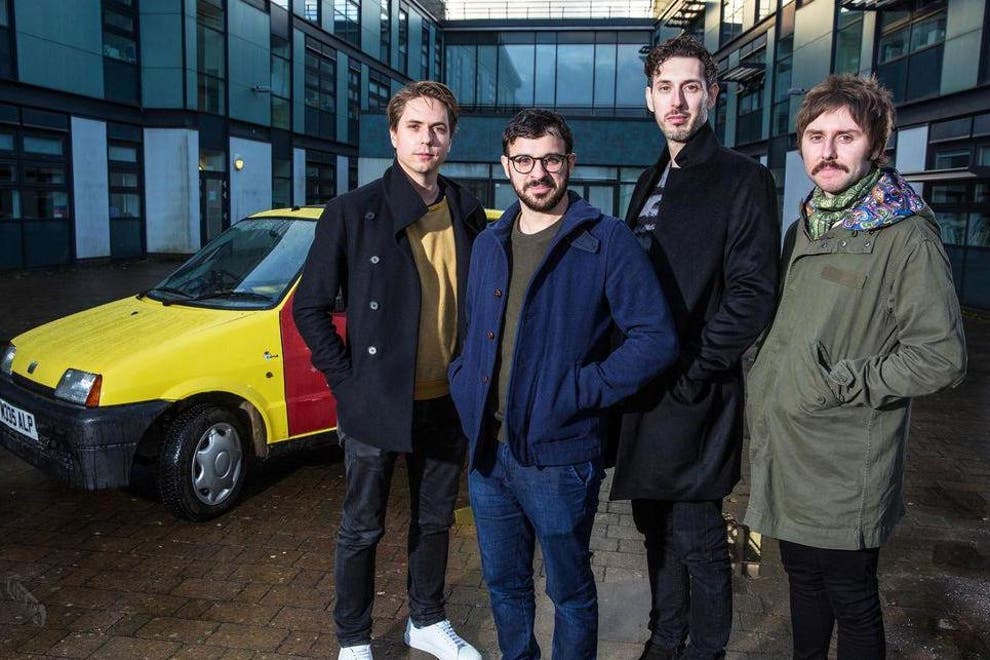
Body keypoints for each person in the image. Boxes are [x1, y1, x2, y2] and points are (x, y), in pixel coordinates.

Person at [744, 74, 967, 659]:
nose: (828, 150)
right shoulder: (806, 225)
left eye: (846, 136)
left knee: (850, 594)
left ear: (875, 144)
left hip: (846, 459)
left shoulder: (904, 234)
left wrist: (844, 381)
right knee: (802, 583)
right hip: (788, 448)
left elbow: (941, 356)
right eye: (816, 136)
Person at [448, 109, 678, 659]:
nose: (539, 173)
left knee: (569, 591)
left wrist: (580, 390)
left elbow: (656, 337)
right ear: (507, 167)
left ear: (570, 163)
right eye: (524, 161)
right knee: (504, 586)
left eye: (551, 160)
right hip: (489, 456)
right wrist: (464, 386)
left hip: (560, 456)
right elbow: (472, 332)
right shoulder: (489, 244)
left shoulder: (606, 240)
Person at [293, 81, 487, 660]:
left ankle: (425, 620)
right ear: (393, 135)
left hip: (445, 399)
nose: (427, 139)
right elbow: (310, 306)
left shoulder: (466, 208)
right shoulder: (353, 211)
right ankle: (353, 637)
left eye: (439, 128)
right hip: (376, 399)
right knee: (362, 527)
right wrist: (347, 383)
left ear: (450, 137)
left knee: (433, 521)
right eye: (415, 127)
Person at [608, 35, 781, 660]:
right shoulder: (656, 173)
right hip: (644, 388)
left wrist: (697, 370)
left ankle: (704, 649)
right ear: (649, 98)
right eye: (664, 88)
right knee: (652, 524)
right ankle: (664, 636)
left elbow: (753, 293)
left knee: (699, 535)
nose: (677, 101)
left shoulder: (742, 178)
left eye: (690, 87)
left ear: (711, 93)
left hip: (694, 390)